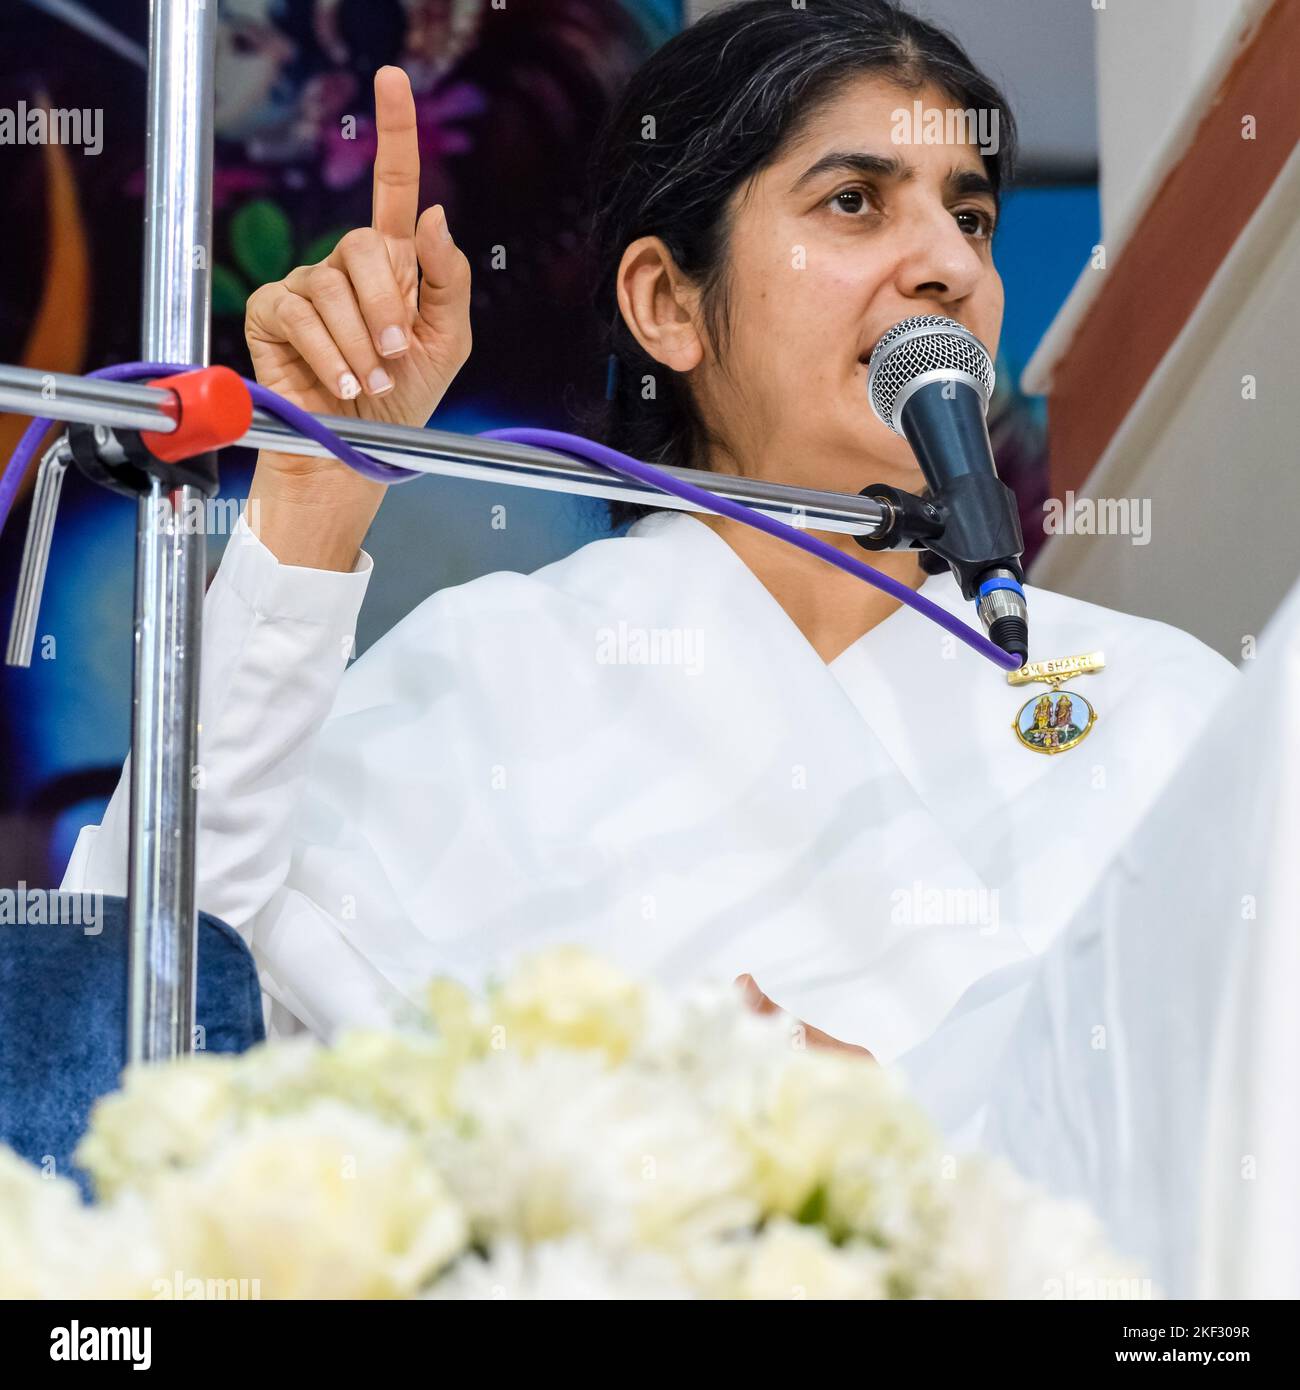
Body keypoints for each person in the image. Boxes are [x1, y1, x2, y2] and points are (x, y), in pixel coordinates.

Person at [62, 1, 1236, 1062]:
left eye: (969, 214)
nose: (946, 265)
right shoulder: (495, 670)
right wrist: (313, 499)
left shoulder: (1157, 700)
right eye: (853, 201)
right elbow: (126, 1016)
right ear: (669, 304)